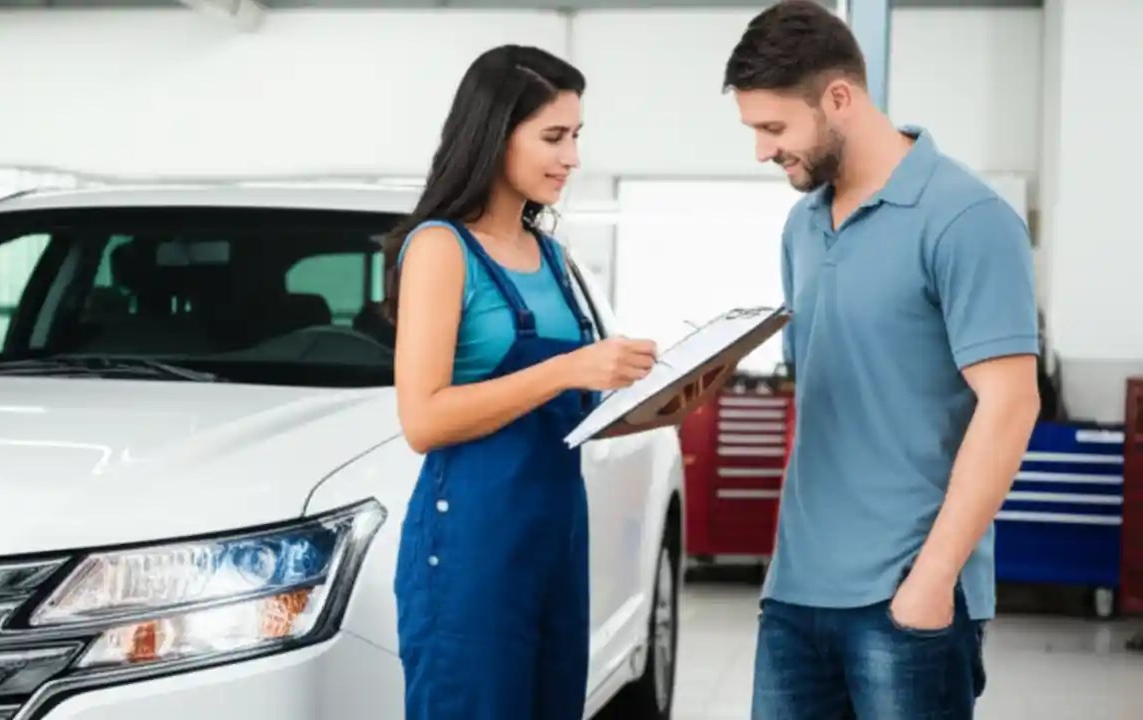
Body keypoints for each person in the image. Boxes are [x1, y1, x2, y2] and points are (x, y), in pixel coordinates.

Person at [722, 2, 1041, 718]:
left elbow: (1013, 404)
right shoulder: (801, 225)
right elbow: (833, 395)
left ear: (839, 98)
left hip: (905, 598)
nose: (762, 152)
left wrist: (931, 583)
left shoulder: (967, 217)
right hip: (795, 594)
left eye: (773, 128)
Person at [384, 44, 658, 720]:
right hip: (472, 545)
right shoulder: (441, 249)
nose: (571, 158)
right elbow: (423, 420)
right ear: (494, 135)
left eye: (576, 137)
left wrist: (652, 398)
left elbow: (569, 405)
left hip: (557, 538)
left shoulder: (555, 257)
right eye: (553, 137)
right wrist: (567, 367)